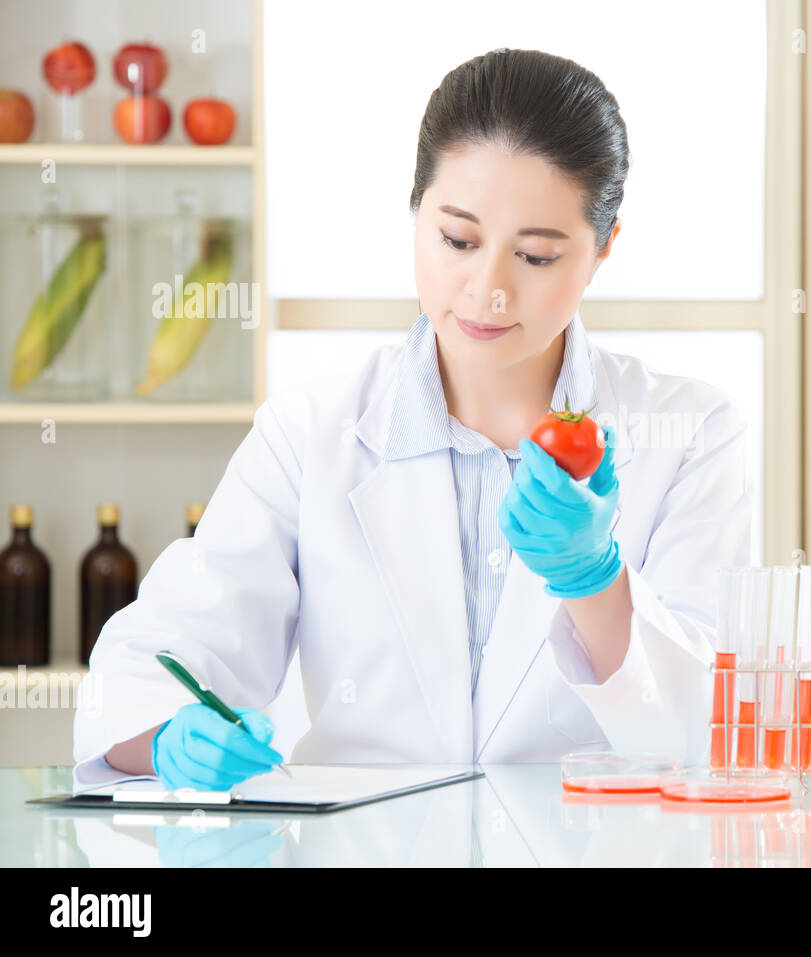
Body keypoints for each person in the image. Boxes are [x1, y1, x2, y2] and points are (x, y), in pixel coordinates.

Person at [72, 48, 751, 791]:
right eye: (457, 241)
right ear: (415, 212)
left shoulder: (690, 432)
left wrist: (594, 580)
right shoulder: (309, 433)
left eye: (536, 255)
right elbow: (156, 659)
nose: (486, 290)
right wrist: (169, 732)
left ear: (603, 250)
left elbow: (701, 738)